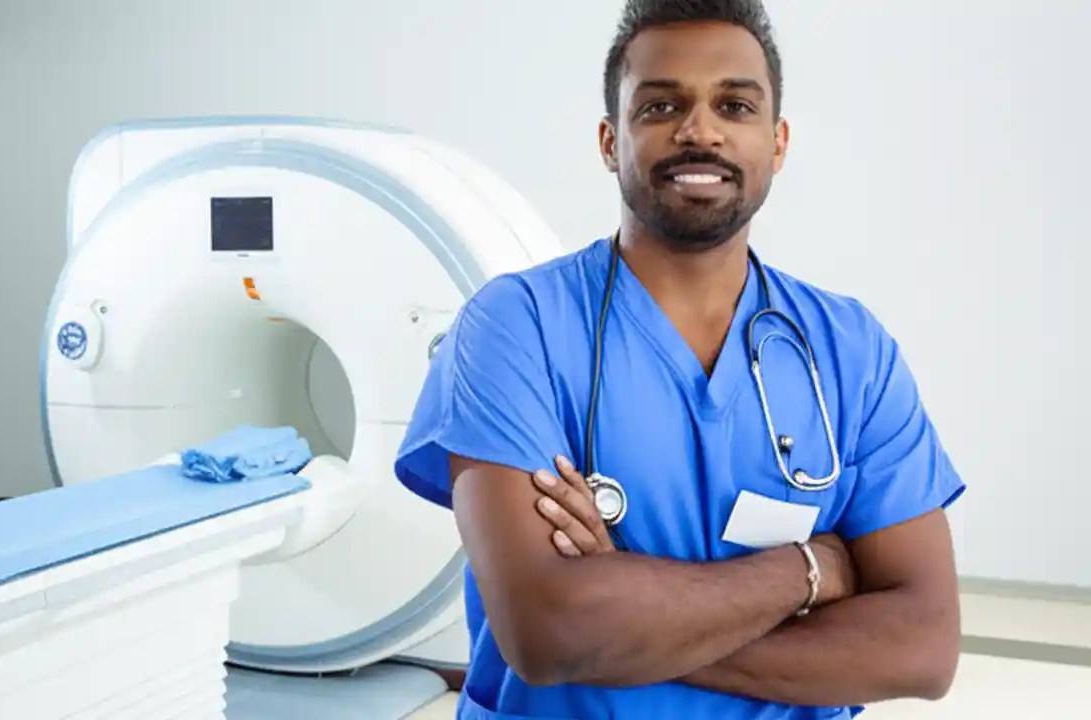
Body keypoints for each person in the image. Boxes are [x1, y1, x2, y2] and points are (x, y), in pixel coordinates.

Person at [393, 0, 966, 717]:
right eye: (661, 106)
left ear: (778, 143)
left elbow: (922, 647)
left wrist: (626, 625)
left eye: (735, 106)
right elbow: (547, 632)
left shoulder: (852, 349)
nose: (700, 130)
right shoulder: (517, 326)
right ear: (611, 141)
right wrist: (810, 571)